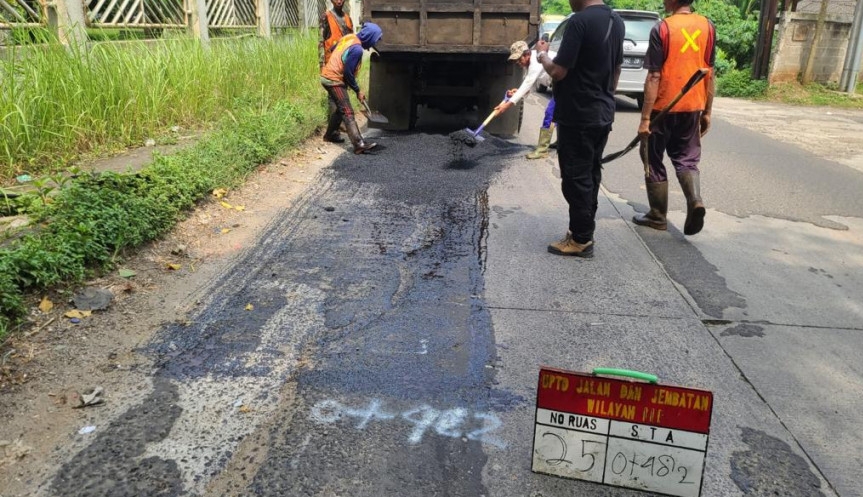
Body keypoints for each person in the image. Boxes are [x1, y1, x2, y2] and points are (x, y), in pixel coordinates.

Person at [535, 0, 624, 257]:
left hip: (578, 113)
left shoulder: (579, 21)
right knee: (591, 173)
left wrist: (542, 55)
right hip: (602, 112)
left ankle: (581, 239)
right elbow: (616, 70)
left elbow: (558, 72)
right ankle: (581, 232)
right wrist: (605, 96)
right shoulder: (616, 20)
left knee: (576, 177)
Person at [632, 0, 715, 236]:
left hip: (663, 107)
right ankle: (695, 199)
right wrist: (707, 111)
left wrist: (645, 119)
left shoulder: (663, 28)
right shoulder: (708, 26)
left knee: (651, 155)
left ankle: (657, 215)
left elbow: (654, 76)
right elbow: (710, 72)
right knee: (686, 159)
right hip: (693, 105)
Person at [320, 22, 383, 154]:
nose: (374, 44)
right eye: (374, 40)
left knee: (341, 109)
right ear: (369, 37)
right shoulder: (357, 49)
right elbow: (348, 73)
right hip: (334, 80)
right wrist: (358, 90)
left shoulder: (349, 37)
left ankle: (330, 135)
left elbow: (333, 49)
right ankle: (359, 144)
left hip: (328, 75)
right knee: (347, 111)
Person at [495, 40, 558, 160]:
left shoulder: (536, 61)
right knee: (561, 114)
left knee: (551, 114)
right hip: (559, 83)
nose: (518, 63)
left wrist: (506, 106)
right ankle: (561, 142)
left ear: (527, 54)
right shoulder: (529, 63)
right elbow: (529, 87)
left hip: (568, 83)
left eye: (519, 59)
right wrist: (516, 92)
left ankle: (542, 150)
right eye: (516, 61)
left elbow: (527, 84)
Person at [319, 0, 354, 143]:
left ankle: (338, 125)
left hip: (345, 63)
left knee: (342, 93)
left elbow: (352, 40)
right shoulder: (326, 17)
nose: (339, 1)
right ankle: (333, 131)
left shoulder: (348, 19)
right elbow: (321, 41)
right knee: (334, 97)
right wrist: (321, 64)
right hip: (331, 63)